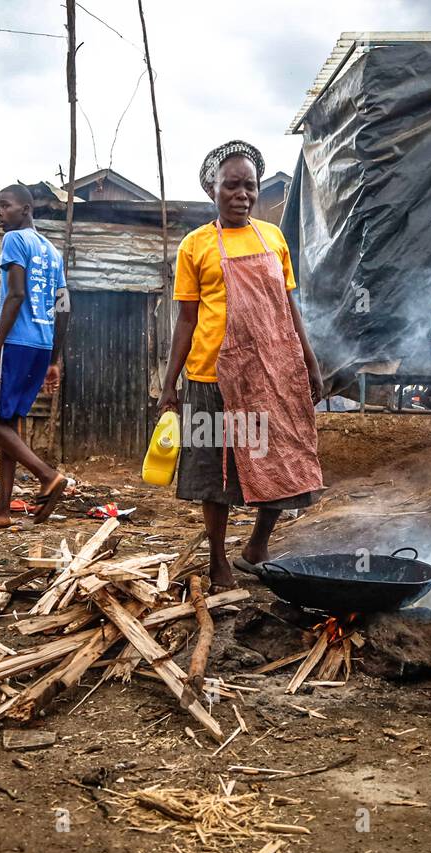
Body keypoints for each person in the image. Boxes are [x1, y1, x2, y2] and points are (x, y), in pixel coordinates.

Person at [158, 140, 325, 591]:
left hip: (273, 373)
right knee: (214, 474)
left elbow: (290, 308)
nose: (242, 195)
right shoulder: (195, 246)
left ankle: (257, 547)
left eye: (249, 186)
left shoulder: (272, 238)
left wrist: (309, 363)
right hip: (211, 377)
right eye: (231, 186)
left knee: (284, 461)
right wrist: (168, 384)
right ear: (213, 188)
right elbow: (187, 319)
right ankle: (217, 562)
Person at [0, 184, 72, 528]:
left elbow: (14, 295)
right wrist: (54, 360)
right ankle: (2, 508)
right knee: (8, 423)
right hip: (41, 345)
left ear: (26, 209)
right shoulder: (52, 252)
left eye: (4, 206)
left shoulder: (15, 240)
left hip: (15, 343)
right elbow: (64, 307)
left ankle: (47, 476)